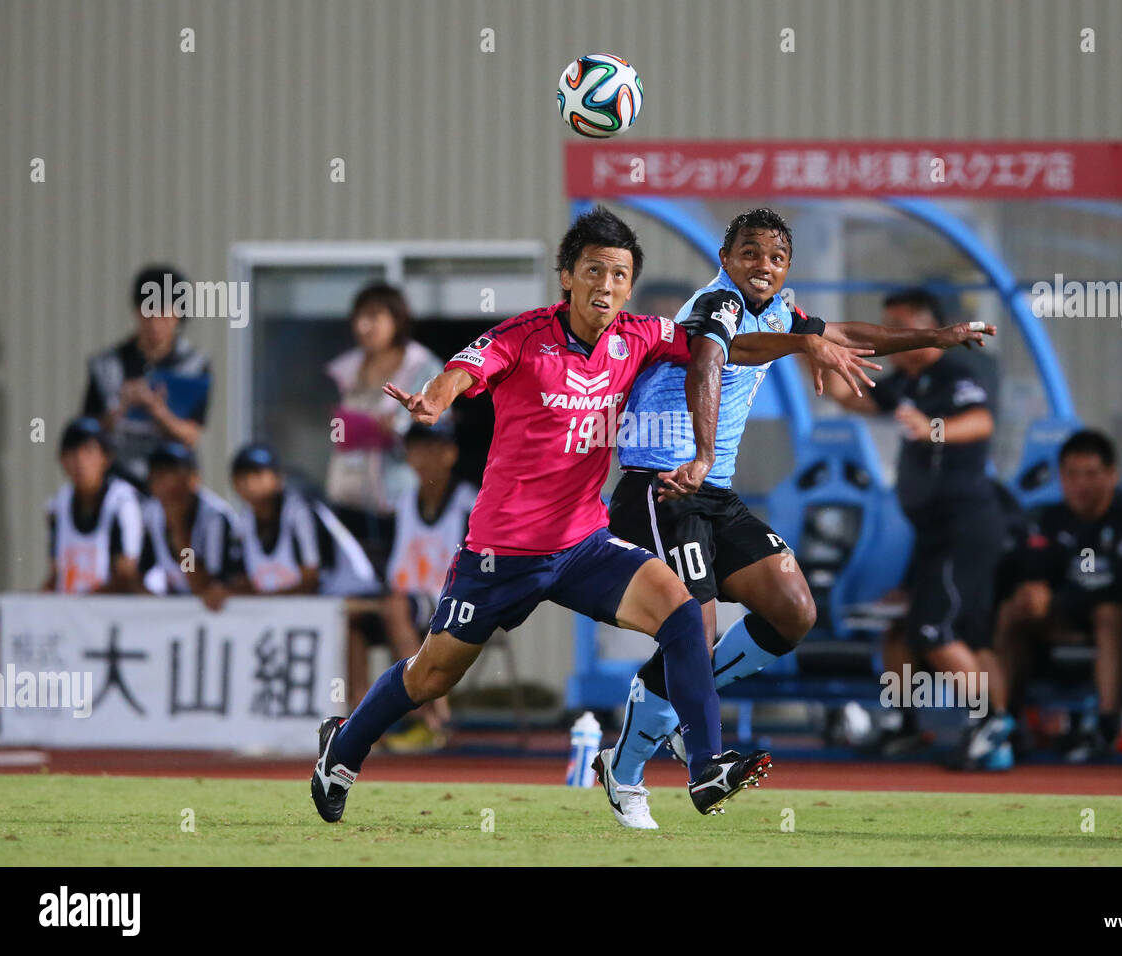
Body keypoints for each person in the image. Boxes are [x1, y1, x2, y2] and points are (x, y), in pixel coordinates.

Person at [309, 206, 860, 824]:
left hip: (582, 544)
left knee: (682, 614)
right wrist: (432, 400)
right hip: (502, 553)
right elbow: (465, 370)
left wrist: (804, 340)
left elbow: (723, 345)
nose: (606, 284)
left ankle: (706, 766)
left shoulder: (643, 335)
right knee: (433, 676)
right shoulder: (523, 335)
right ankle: (345, 745)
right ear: (566, 277)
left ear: (630, 286)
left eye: (620, 274)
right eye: (593, 270)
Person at [598, 212, 998, 828]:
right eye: (750, 252)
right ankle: (628, 770)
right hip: (666, 486)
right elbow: (714, 358)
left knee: (793, 608)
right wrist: (705, 452)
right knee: (690, 634)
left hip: (713, 492)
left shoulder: (777, 311)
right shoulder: (716, 306)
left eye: (777, 256)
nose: (764, 264)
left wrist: (933, 337)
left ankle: (679, 715)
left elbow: (843, 333)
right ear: (727, 259)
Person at [826, 287, 1012, 771]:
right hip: (931, 533)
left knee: (937, 629)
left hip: (965, 527)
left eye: (905, 326)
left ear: (932, 328)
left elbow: (981, 421)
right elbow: (849, 397)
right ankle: (905, 726)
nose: (895, 337)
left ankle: (990, 722)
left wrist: (933, 428)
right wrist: (813, 345)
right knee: (903, 631)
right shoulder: (907, 381)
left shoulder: (957, 370)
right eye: (891, 326)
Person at [995, 430, 1122, 762]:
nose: (1080, 484)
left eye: (1090, 474)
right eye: (1071, 475)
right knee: (1017, 607)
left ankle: (1106, 729)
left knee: (1107, 614)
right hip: (1066, 617)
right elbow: (1032, 570)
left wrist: (1059, 600)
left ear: (1111, 475)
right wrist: (1035, 593)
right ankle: (1001, 722)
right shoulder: (1051, 519)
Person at [227, 443, 382, 703]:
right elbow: (243, 581)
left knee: (348, 624)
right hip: (305, 603)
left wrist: (264, 600)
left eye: (259, 473)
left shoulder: (299, 512)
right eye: (243, 476)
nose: (250, 482)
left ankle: (359, 707)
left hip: (353, 592)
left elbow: (311, 579)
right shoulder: (243, 524)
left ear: (277, 479)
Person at [378, 421, 478, 751]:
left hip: (453, 606)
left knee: (394, 608)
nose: (421, 458)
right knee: (354, 621)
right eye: (415, 449)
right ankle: (366, 720)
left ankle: (428, 716)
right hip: (407, 602)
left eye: (431, 448)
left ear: (450, 454)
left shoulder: (469, 504)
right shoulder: (402, 504)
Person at [82, 264, 212, 489]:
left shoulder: (195, 365)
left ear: (178, 316)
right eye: (148, 310)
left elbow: (191, 434)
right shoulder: (107, 364)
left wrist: (158, 412)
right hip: (118, 479)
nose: (155, 322)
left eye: (163, 313)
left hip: (173, 480)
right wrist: (121, 408)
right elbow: (89, 431)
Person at [324, 281, 444, 522]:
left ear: (397, 320)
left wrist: (399, 428)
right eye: (359, 318)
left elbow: (441, 427)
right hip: (347, 496)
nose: (363, 326)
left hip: (400, 499)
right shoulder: (344, 367)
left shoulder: (424, 367)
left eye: (373, 317)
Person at [43, 417, 143, 594]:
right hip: (72, 613)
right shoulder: (58, 504)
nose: (80, 460)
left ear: (106, 458)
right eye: (71, 453)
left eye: (88, 451)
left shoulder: (122, 502)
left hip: (110, 613)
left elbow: (126, 576)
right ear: (62, 460)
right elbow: (56, 574)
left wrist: (82, 605)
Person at [138, 441, 238, 610]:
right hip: (174, 612)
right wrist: (155, 606)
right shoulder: (151, 512)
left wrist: (180, 535)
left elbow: (204, 587)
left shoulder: (215, 518)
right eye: (158, 474)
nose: (165, 483)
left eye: (172, 473)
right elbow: (138, 574)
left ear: (193, 478)